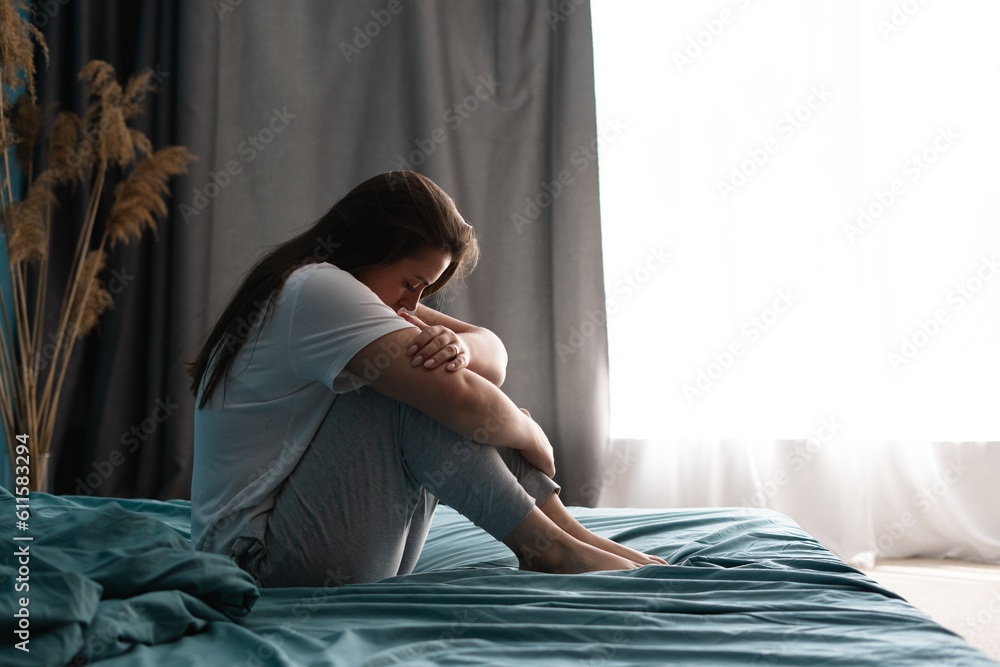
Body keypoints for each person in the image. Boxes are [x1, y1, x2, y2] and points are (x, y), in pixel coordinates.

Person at [186, 170, 666, 588]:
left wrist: (461, 347)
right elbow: (463, 404)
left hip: (312, 546)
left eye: (426, 290)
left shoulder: (343, 292)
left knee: (433, 370)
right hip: (256, 564)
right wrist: (529, 429)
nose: (414, 305)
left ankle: (567, 536)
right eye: (412, 283)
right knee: (408, 390)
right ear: (369, 248)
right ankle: (548, 549)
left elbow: (492, 353)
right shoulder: (318, 289)